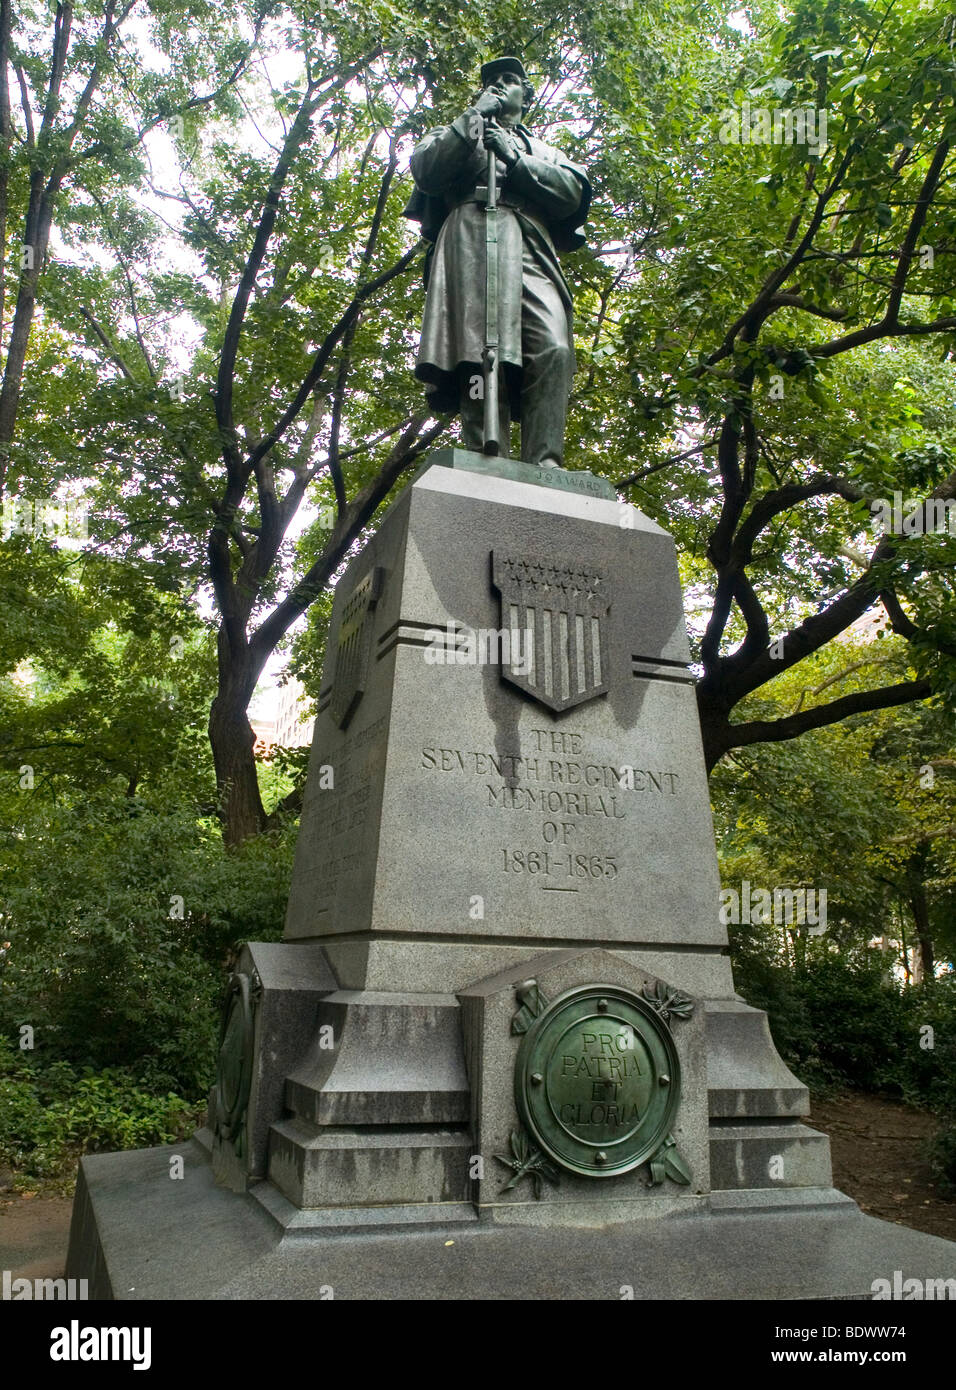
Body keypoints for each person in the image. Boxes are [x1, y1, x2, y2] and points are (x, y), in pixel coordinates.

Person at [405, 56, 591, 468]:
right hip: (471, 237)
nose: (500, 85)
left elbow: (571, 194)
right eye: (492, 81)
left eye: (510, 79)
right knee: (475, 351)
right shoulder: (458, 130)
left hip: (529, 243)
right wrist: (473, 119)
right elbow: (428, 171)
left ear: (526, 92)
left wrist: (515, 159)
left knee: (554, 346)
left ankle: (545, 459)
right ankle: (483, 452)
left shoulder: (546, 150)